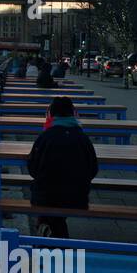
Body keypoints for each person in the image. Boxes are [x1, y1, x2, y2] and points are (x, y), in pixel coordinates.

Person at [26, 96, 99, 239]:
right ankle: (53, 232)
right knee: (61, 199)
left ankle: (49, 230)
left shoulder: (45, 137)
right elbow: (93, 169)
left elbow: (33, 169)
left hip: (45, 197)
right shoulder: (82, 138)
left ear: (51, 114)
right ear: (73, 113)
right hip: (78, 199)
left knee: (50, 195)